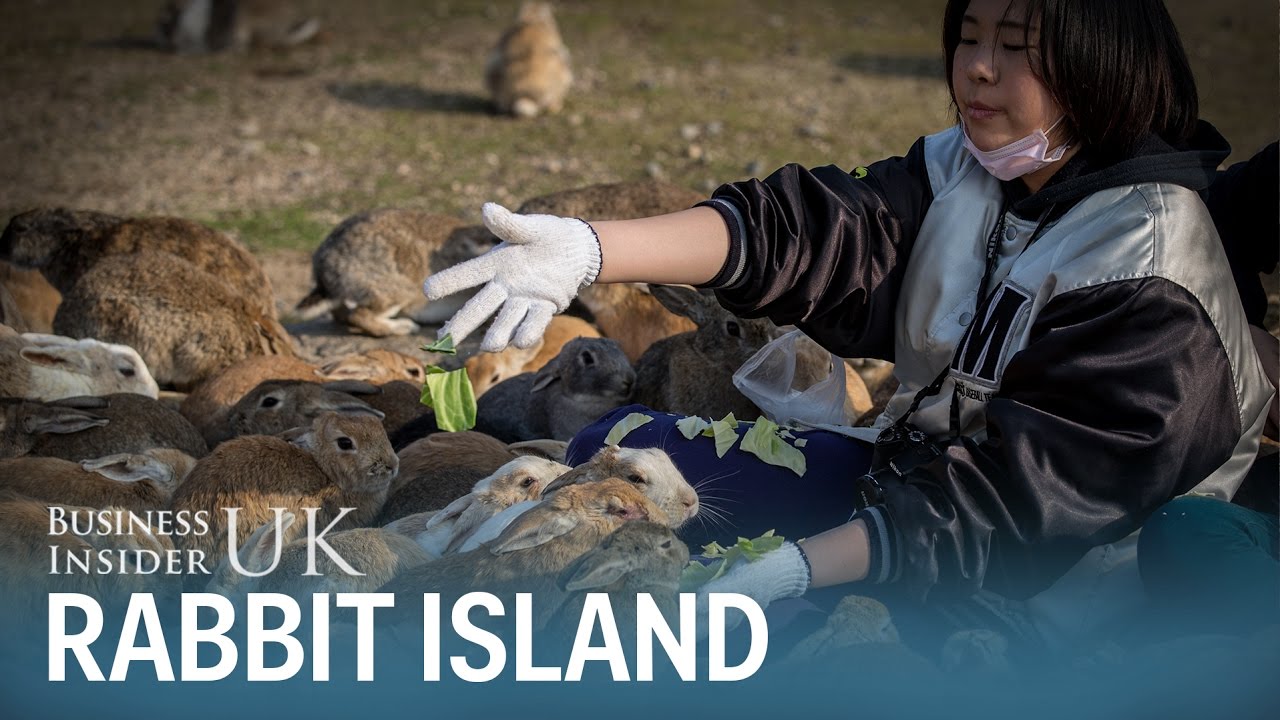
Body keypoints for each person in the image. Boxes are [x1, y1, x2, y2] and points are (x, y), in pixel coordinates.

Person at [421, 0, 1274, 654]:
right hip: (901, 489)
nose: (977, 68)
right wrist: (591, 249)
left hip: (1047, 575)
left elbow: (1025, 504)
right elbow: (813, 229)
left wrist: (790, 570)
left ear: (1103, 65)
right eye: (968, 37)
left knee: (790, 642)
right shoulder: (967, 170)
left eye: (1016, 48)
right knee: (617, 449)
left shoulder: (1152, 259)